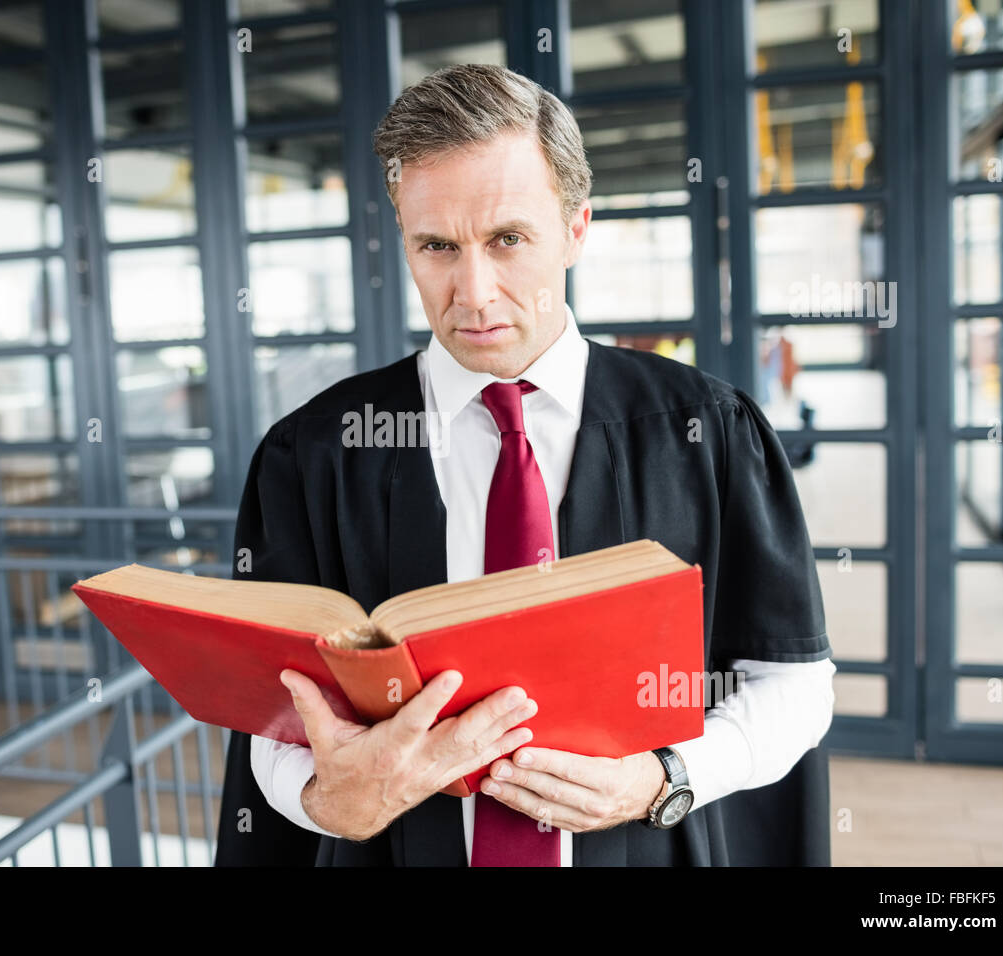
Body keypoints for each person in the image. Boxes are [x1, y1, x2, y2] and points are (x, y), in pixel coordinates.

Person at [214, 64, 835, 867]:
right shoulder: (314, 452)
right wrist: (323, 799)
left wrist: (663, 779)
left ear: (578, 228)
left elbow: (792, 682)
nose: (472, 293)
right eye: (436, 245)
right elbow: (273, 716)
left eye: (507, 239)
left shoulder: (708, 428)